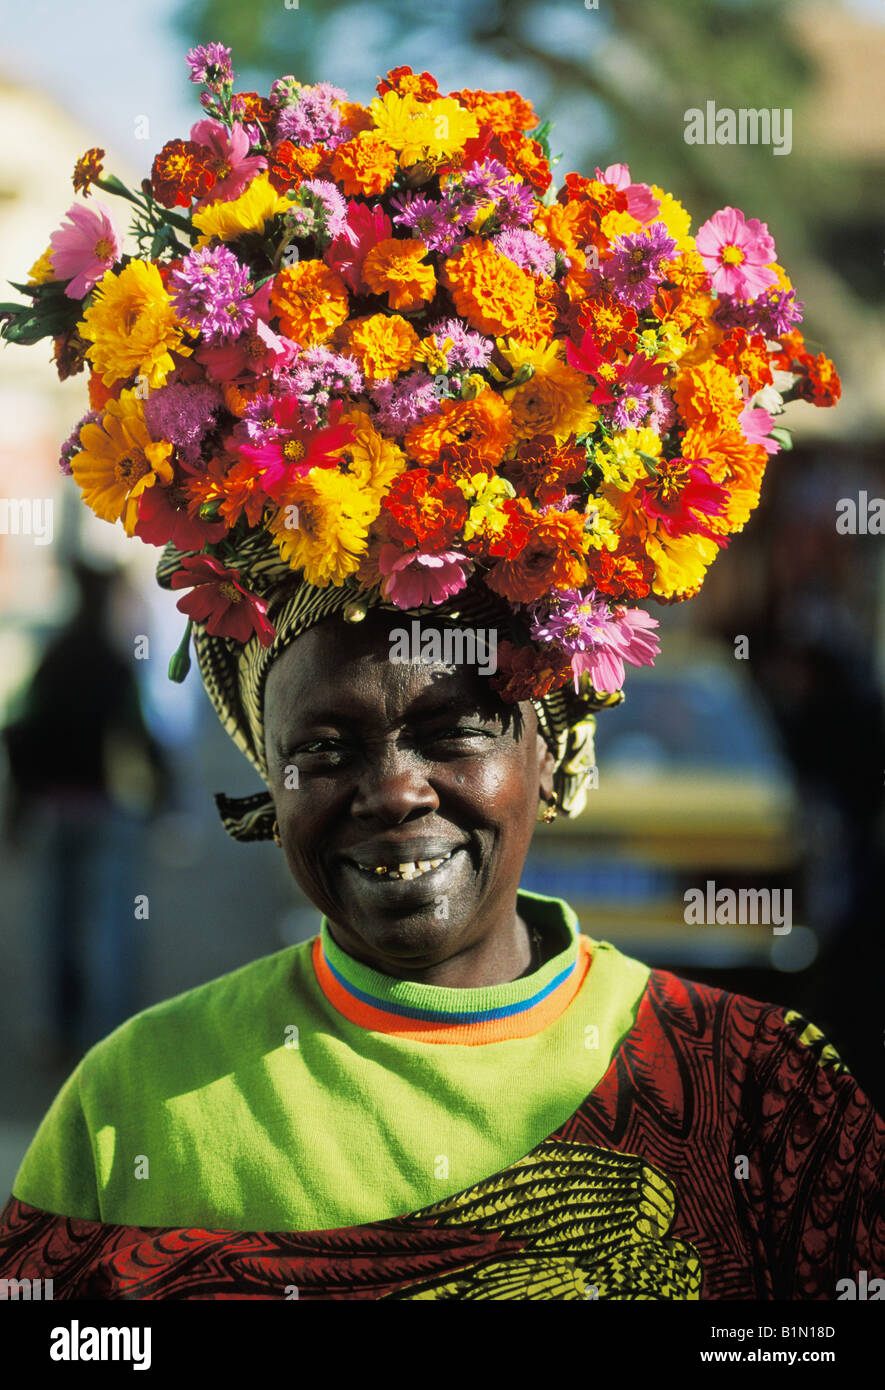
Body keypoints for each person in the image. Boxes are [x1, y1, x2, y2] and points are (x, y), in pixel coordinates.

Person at [1, 44, 879, 1301]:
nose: (394, 792)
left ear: (553, 743)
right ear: (266, 776)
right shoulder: (133, 1104)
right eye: (326, 750)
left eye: (453, 730)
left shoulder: (766, 1095)